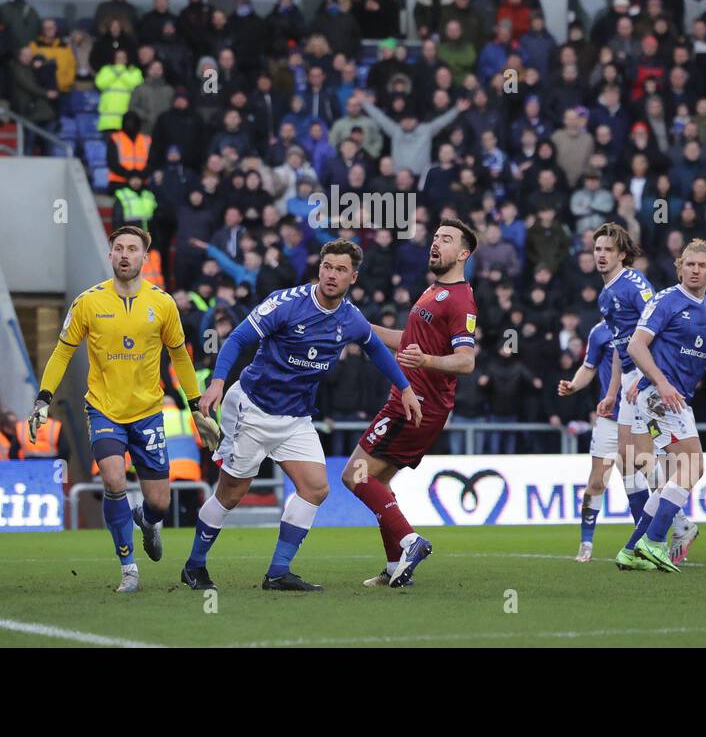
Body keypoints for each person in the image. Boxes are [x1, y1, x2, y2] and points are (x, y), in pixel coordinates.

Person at [184, 239, 419, 592]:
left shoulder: (350, 318)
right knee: (231, 494)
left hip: (295, 418)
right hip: (252, 408)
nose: (331, 275)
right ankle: (194, 566)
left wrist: (404, 387)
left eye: (340, 270)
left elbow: (374, 347)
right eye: (327, 267)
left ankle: (278, 572)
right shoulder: (286, 304)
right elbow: (236, 338)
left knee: (315, 488)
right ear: (319, 268)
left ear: (352, 277)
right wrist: (217, 382)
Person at [29, 225, 218, 594]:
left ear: (145, 258)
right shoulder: (88, 302)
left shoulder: (162, 303)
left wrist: (196, 407)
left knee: (159, 503)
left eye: (133, 249)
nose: (126, 254)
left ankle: (147, 521)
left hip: (147, 412)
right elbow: (64, 350)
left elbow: (180, 354)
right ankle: (128, 566)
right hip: (103, 409)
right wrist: (43, 397)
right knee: (114, 480)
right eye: (119, 248)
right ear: (110, 255)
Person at [341, 219, 478, 587]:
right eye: (435, 237)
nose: (436, 243)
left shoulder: (462, 298)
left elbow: (466, 360)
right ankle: (393, 567)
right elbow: (409, 339)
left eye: (446, 240)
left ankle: (411, 541)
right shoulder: (433, 290)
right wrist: (363, 328)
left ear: (463, 254)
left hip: (415, 405)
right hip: (410, 401)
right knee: (380, 484)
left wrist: (427, 362)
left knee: (353, 475)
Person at [618, 239, 706, 572]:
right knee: (692, 466)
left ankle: (632, 549)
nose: (695, 270)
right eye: (689, 264)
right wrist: (662, 382)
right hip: (657, 393)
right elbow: (636, 347)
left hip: (677, 399)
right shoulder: (665, 301)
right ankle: (654, 542)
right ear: (679, 267)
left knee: (675, 473)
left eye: (701, 266)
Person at [591, 221, 695, 561]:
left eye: (608, 250)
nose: (601, 255)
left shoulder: (634, 283)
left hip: (645, 375)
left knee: (641, 456)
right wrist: (611, 391)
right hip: (628, 379)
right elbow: (622, 347)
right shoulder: (605, 294)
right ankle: (652, 534)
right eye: (597, 249)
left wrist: (649, 378)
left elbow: (653, 330)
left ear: (622, 254)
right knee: (626, 462)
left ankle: (671, 524)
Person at [557, 318, 618, 562]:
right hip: (609, 417)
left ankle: (663, 534)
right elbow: (590, 367)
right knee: (596, 482)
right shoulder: (600, 331)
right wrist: (574, 385)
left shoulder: (647, 326)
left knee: (646, 479)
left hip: (640, 417)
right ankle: (586, 543)